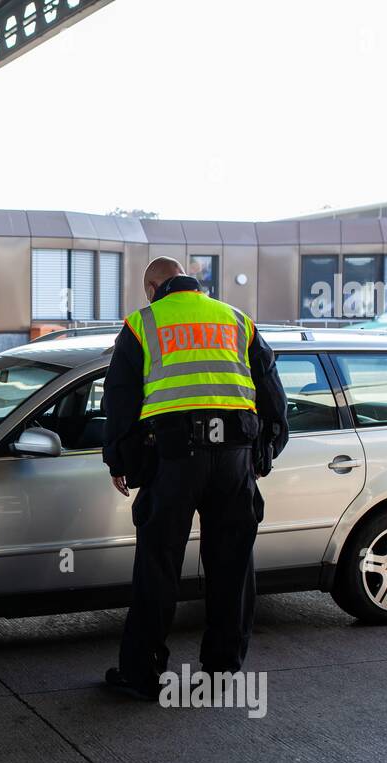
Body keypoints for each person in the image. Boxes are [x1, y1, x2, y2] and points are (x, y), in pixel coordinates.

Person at [101, 257, 288, 698]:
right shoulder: (238, 321)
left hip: (173, 460)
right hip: (235, 461)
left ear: (152, 287)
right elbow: (272, 394)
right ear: (192, 283)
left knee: (158, 566)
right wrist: (264, 453)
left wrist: (119, 462)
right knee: (232, 566)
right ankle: (222, 672)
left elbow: (120, 401)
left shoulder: (141, 325)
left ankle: (142, 673)